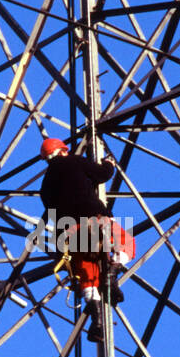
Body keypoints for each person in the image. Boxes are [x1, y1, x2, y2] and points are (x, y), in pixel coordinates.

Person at [39, 137, 127, 342]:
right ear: (62, 151)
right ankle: (112, 274)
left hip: (70, 235)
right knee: (126, 243)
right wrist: (108, 164)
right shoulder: (74, 161)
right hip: (93, 221)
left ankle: (96, 321)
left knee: (87, 273)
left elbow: (50, 211)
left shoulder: (45, 186)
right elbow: (102, 175)